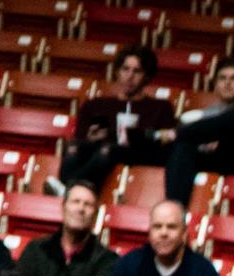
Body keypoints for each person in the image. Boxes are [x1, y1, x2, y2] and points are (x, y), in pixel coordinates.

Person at [50, 47, 174, 195]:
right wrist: (90, 139)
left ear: (147, 76)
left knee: (107, 150)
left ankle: (69, 191)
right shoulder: (96, 105)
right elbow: (81, 138)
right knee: (73, 148)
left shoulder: (160, 107)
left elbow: (164, 145)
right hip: (100, 151)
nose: (129, 76)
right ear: (117, 72)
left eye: (137, 71)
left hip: (139, 154)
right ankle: (68, 188)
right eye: (125, 69)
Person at [165, 57, 234, 204]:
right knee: (183, 147)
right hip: (214, 164)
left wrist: (230, 142)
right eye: (222, 78)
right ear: (216, 84)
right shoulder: (205, 115)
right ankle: (174, 210)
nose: (227, 83)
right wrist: (205, 146)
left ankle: (178, 133)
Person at [15, 181, 118, 276]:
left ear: (96, 215)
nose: (81, 209)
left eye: (88, 205)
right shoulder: (36, 249)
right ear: (63, 207)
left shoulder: (107, 259)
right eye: (75, 202)